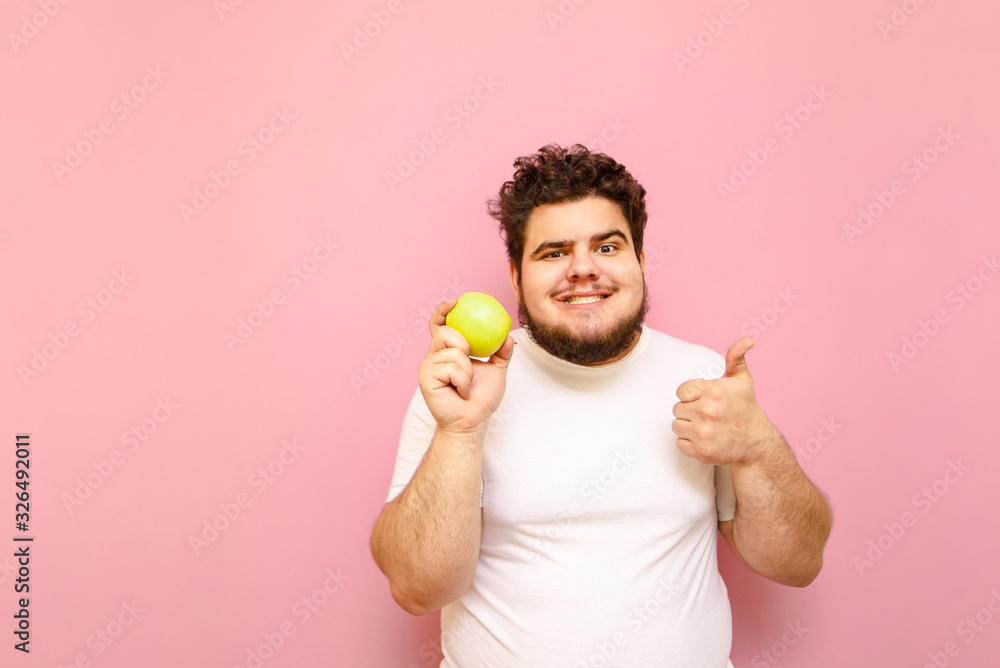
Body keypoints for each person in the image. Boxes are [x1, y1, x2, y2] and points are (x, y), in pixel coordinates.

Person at [370, 143, 833, 667]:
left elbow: (798, 564)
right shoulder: (460, 388)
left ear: (639, 258)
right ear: (516, 274)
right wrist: (460, 432)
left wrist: (759, 448)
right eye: (553, 252)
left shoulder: (705, 380)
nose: (583, 269)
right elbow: (416, 589)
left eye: (608, 247)